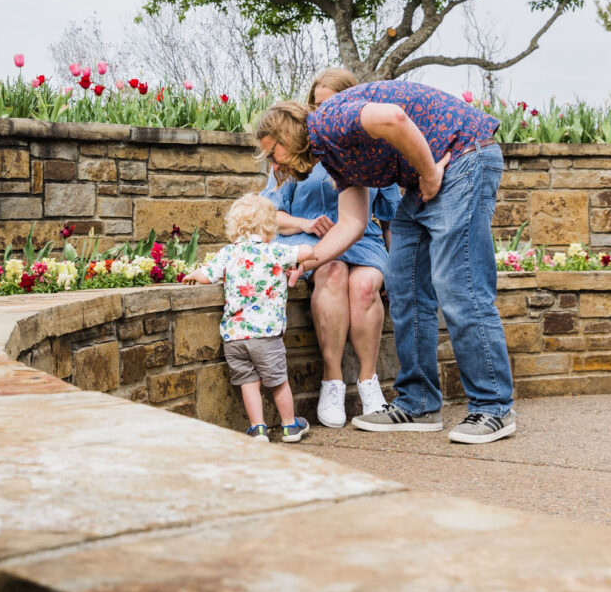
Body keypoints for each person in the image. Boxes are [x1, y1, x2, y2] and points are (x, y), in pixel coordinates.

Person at [254, 81, 515, 445]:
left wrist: (429, 174)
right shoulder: (334, 156)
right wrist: (307, 262)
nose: (273, 164)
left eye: (273, 152)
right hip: (432, 175)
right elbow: (352, 223)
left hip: (464, 158)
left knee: (460, 286)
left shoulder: (328, 121)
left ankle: (494, 407)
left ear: (288, 136)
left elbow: (393, 117)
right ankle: (418, 404)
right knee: (403, 284)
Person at [262, 67, 390, 428]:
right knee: (332, 272)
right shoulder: (296, 153)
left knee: (364, 285)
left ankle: (368, 382)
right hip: (312, 242)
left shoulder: (368, 150)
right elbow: (268, 215)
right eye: (318, 105)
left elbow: (389, 217)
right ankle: (332, 382)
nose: (324, 112)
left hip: (363, 242)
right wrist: (303, 224)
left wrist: (397, 271)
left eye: (333, 104)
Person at [183, 193, 313, 443]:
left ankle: (258, 428)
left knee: (249, 383)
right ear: (269, 227)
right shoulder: (275, 251)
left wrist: (191, 275)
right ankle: (289, 426)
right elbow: (306, 251)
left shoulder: (228, 253)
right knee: (278, 382)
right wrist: (311, 255)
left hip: (235, 336)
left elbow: (205, 275)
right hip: (266, 335)